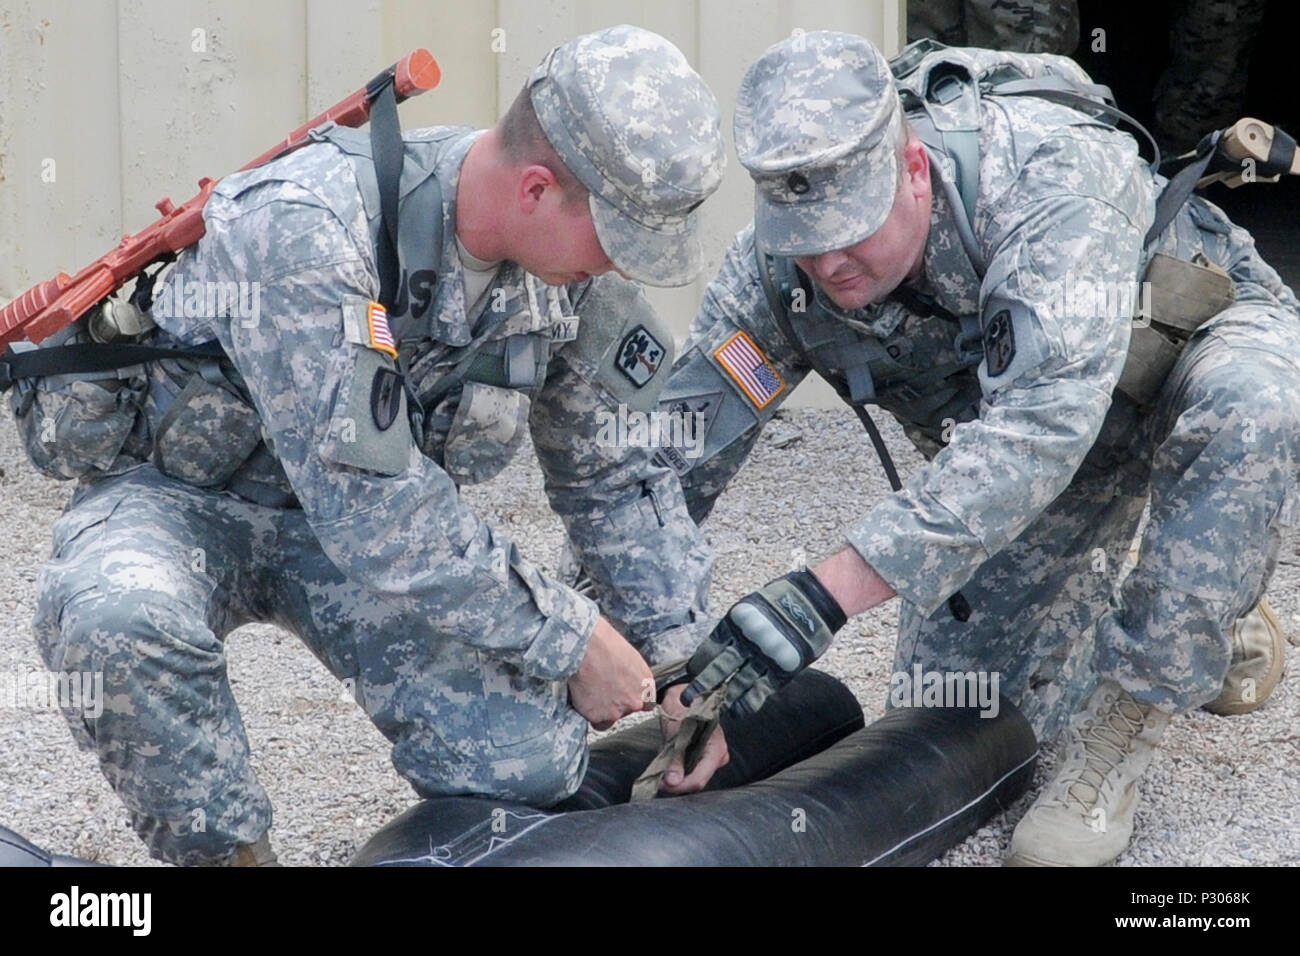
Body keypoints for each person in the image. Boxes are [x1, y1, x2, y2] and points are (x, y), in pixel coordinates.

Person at [30, 24, 729, 866]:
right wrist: (574, 635)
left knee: (527, 762)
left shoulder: (570, 282)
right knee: (118, 616)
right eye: (618, 236)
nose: (625, 265)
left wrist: (685, 661)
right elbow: (376, 511)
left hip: (349, 541)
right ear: (538, 189)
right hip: (182, 499)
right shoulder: (307, 226)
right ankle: (224, 857)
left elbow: (615, 474)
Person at [666, 31, 1299, 866]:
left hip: (1174, 364)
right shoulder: (777, 278)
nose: (829, 262)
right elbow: (667, 459)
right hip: (1035, 465)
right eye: (803, 238)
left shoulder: (1049, 176)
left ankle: (1148, 684)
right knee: (956, 719)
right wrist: (660, 650)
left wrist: (819, 596)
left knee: (1256, 403)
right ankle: (1200, 593)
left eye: (853, 229)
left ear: (916, 171)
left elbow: (1038, 431)